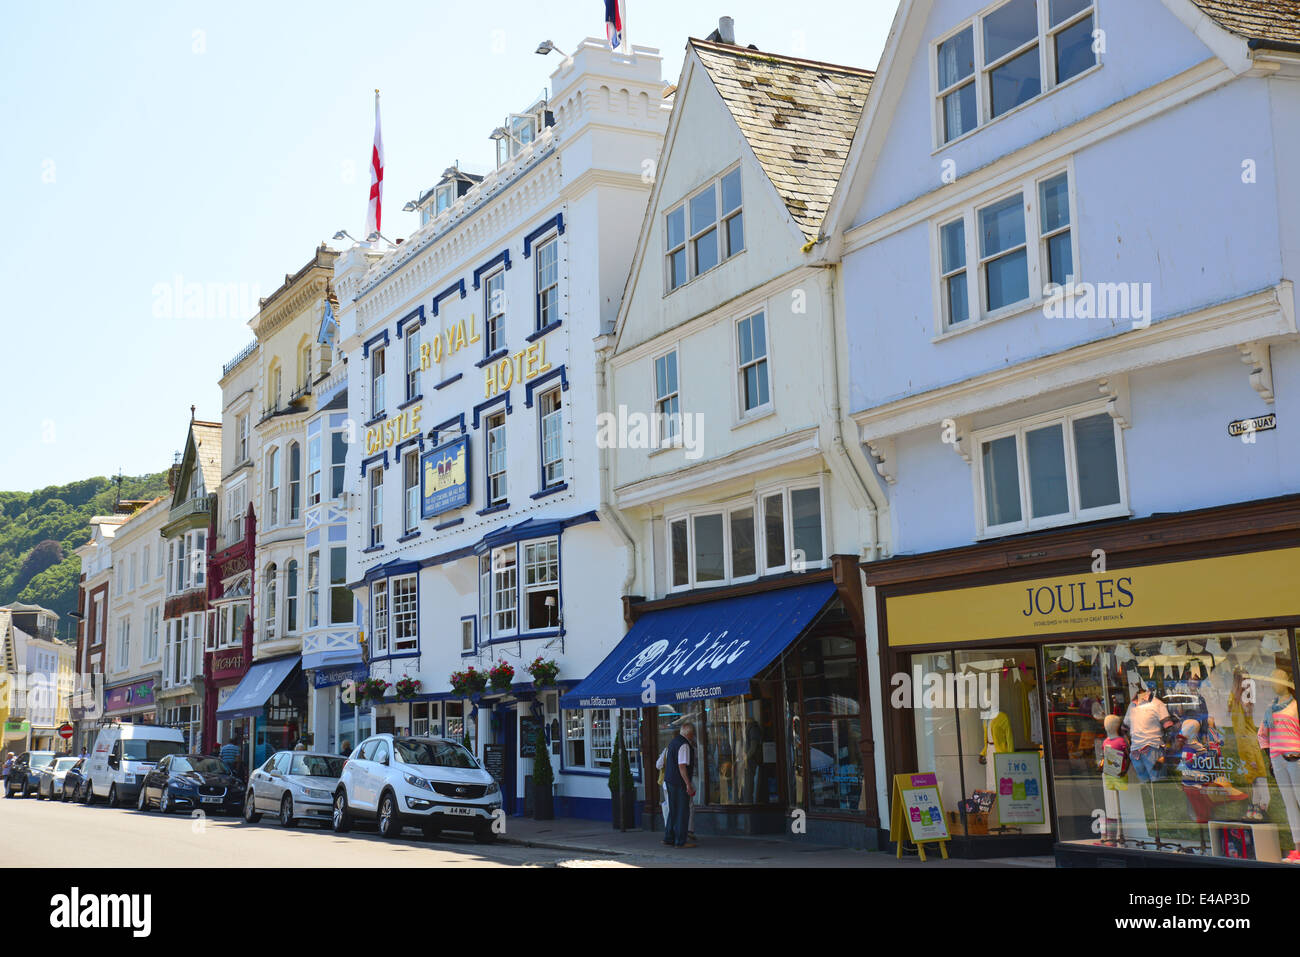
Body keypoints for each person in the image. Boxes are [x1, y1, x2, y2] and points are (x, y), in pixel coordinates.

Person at [661, 722, 697, 849]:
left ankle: (668, 837)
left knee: (673, 810)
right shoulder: (684, 745)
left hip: (669, 780)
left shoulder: (673, 742)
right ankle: (680, 841)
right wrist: (688, 784)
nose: (693, 736)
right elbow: (682, 767)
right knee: (682, 811)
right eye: (693, 734)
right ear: (690, 734)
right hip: (679, 782)